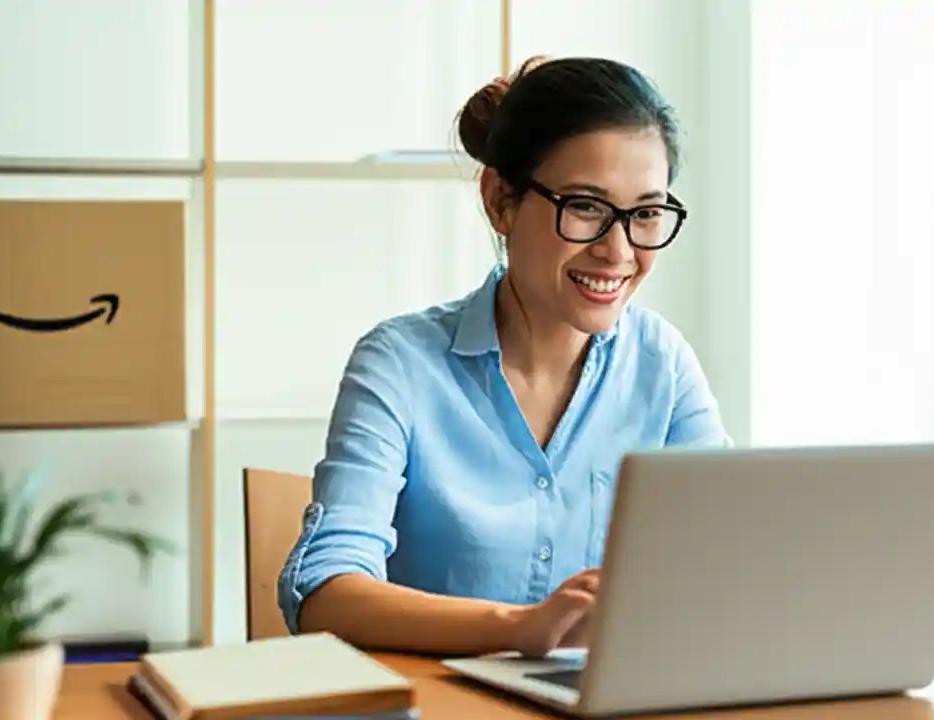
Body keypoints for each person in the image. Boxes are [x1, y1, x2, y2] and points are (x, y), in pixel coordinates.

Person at [277, 55, 731, 658]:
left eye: (645, 213)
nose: (618, 251)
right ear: (501, 201)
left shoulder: (662, 365)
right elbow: (325, 594)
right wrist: (519, 627)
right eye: (587, 207)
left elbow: (730, 562)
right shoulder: (400, 364)